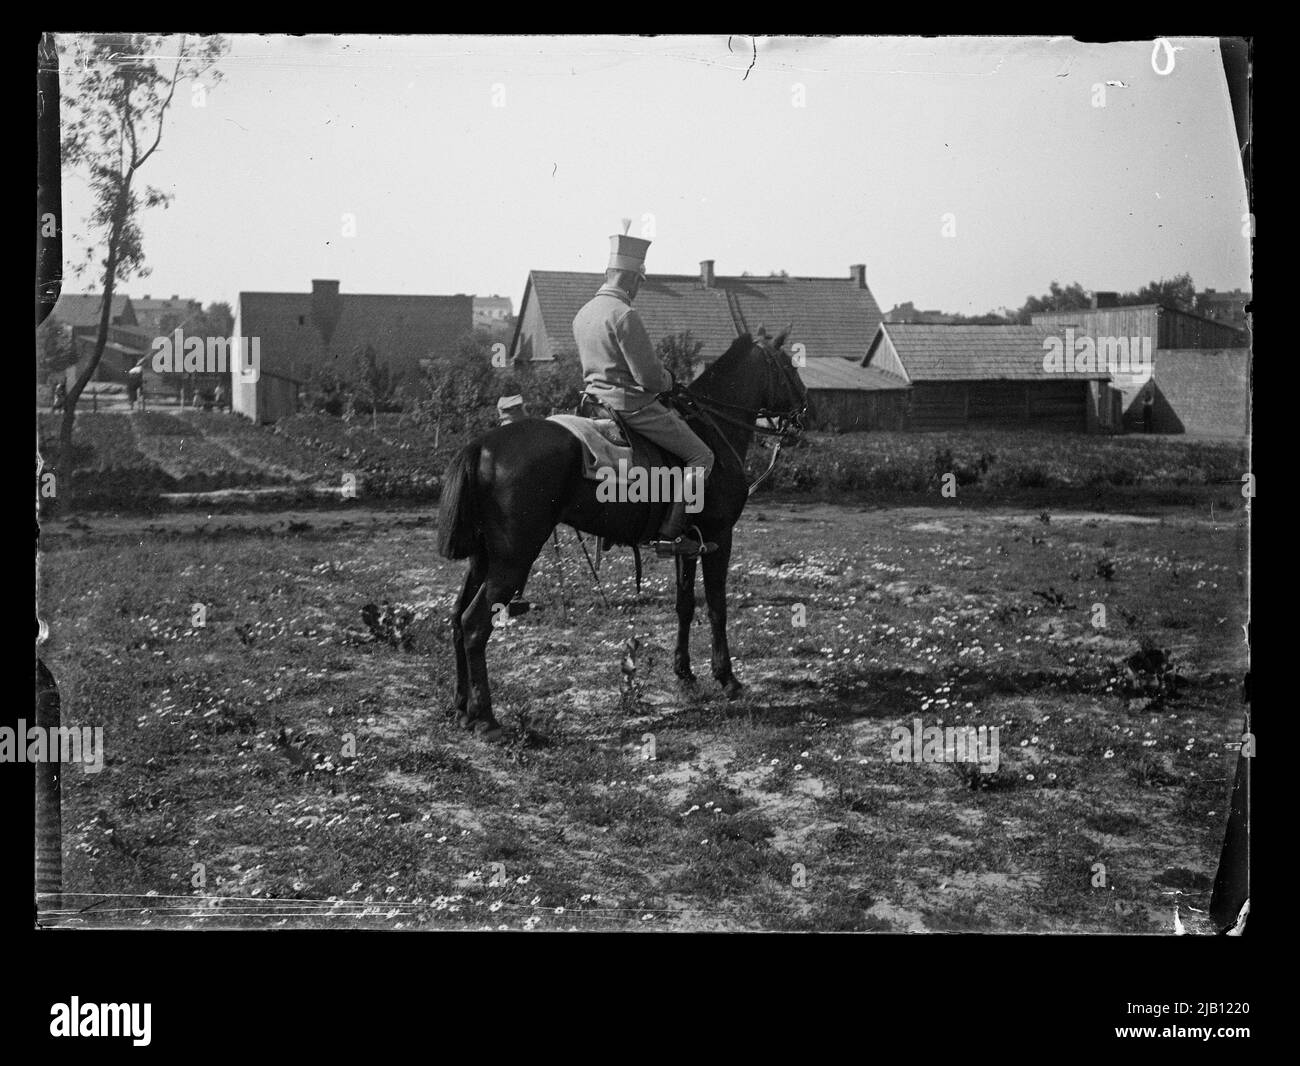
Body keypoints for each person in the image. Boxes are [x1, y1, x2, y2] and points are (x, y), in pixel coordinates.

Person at [572, 230, 715, 556]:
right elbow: (648, 378)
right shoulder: (624, 315)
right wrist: (669, 380)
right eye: (638, 280)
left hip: (594, 404)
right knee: (701, 456)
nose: (638, 288)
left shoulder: (584, 313)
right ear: (631, 279)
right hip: (629, 405)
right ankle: (671, 534)